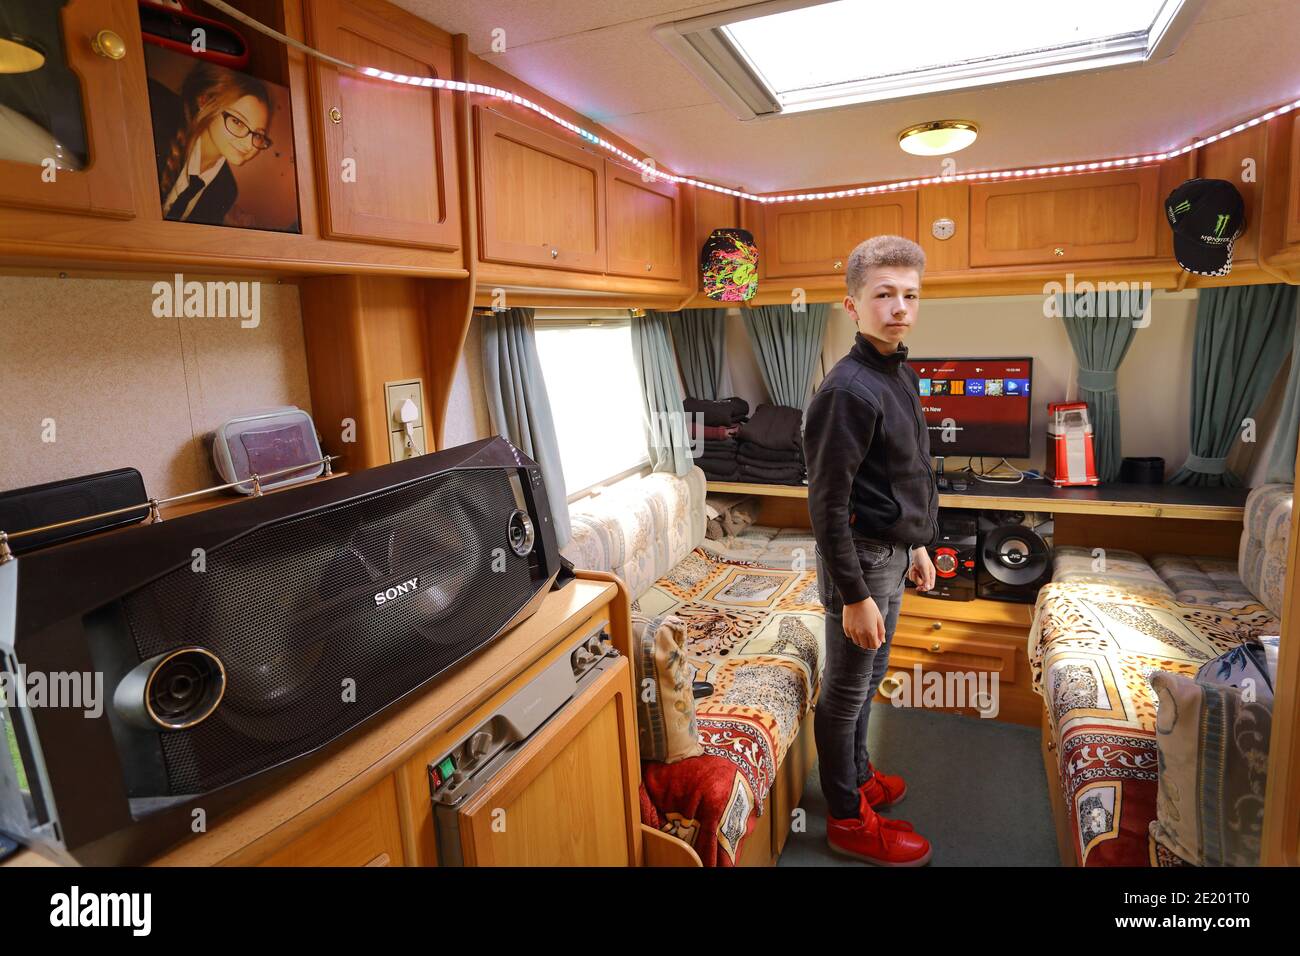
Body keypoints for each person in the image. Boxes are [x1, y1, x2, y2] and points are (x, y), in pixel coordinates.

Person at [804, 234, 939, 865]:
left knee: (870, 676)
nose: (899, 307)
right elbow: (827, 506)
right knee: (846, 690)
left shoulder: (897, 370)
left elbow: (904, 474)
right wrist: (855, 595)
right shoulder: (848, 391)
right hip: (859, 561)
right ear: (853, 304)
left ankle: (858, 776)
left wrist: (917, 545)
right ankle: (845, 819)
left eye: (910, 294)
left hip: (891, 553)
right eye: (884, 294)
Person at [149, 60, 273, 225]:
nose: (249, 145)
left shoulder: (227, 190)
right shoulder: (155, 117)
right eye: (238, 122)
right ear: (205, 101)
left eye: (258, 134)